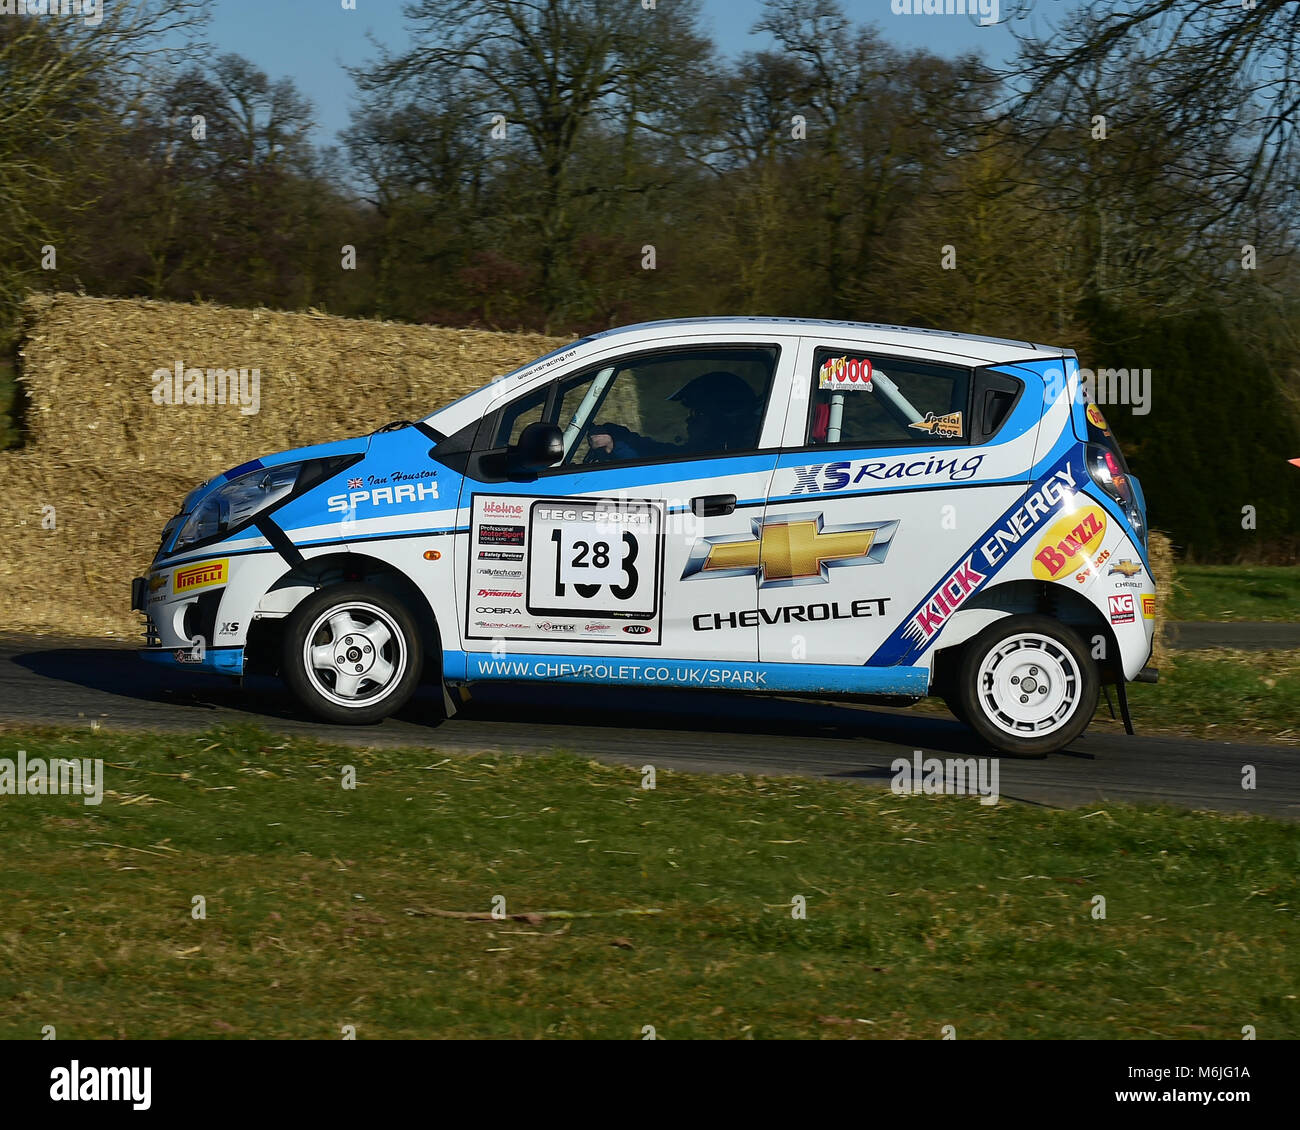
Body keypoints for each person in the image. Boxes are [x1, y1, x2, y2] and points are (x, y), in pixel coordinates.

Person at [585, 370, 761, 463]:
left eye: (697, 413)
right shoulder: (700, 454)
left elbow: (655, 474)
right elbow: (661, 453)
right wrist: (625, 440)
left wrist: (616, 446)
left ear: (721, 420)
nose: (689, 420)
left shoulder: (719, 463)